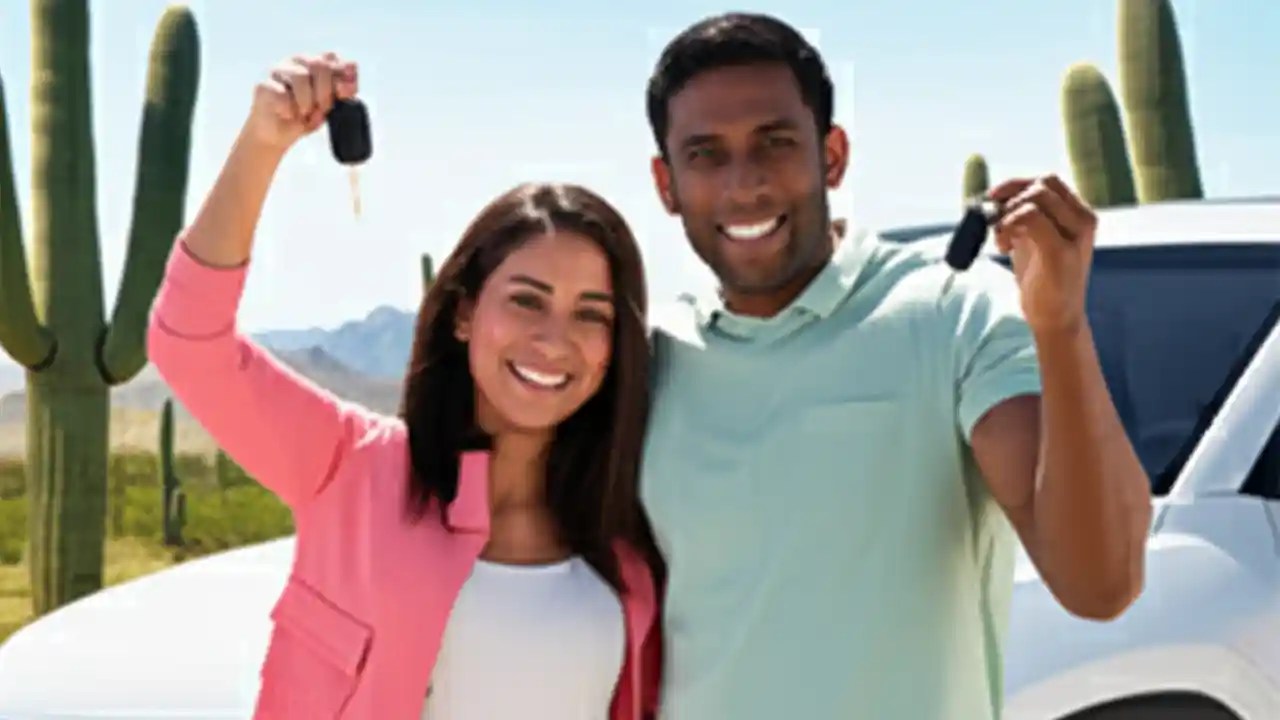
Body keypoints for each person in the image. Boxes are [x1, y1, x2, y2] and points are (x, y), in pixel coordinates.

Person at [636, 12, 1154, 719]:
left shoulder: (953, 314)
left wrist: (1060, 328)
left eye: (775, 142)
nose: (745, 183)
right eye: (705, 155)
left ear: (833, 155)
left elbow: (1102, 585)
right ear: (666, 184)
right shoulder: (649, 359)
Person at [146, 52, 663, 720]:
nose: (554, 339)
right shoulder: (353, 468)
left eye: (590, 315)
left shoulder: (632, 539)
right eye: (526, 301)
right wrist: (262, 144)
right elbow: (189, 343)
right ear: (464, 313)